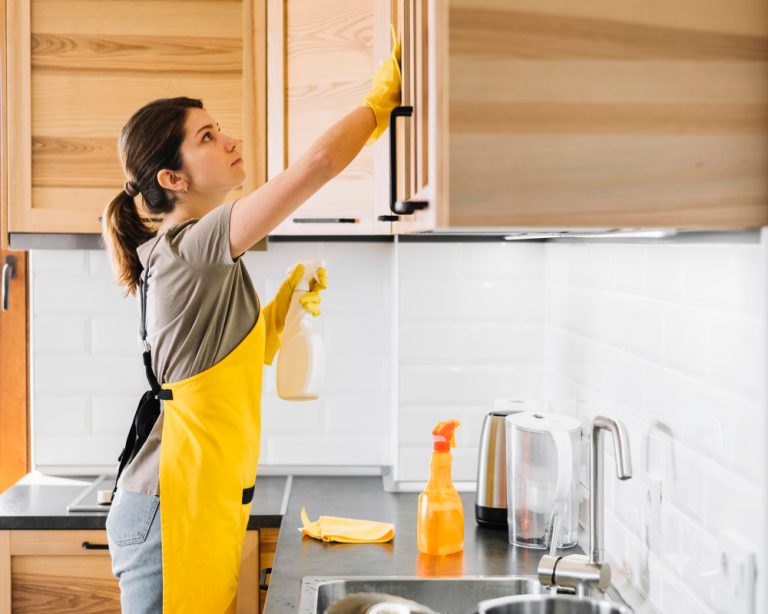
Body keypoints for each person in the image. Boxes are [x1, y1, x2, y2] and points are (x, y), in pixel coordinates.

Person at [100, 32, 401, 614]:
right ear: (173, 179)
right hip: (169, 506)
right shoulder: (194, 242)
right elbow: (315, 167)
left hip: (183, 498)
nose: (230, 139)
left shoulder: (200, 252)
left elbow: (227, 359)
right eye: (208, 137)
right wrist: (378, 103)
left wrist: (281, 309)